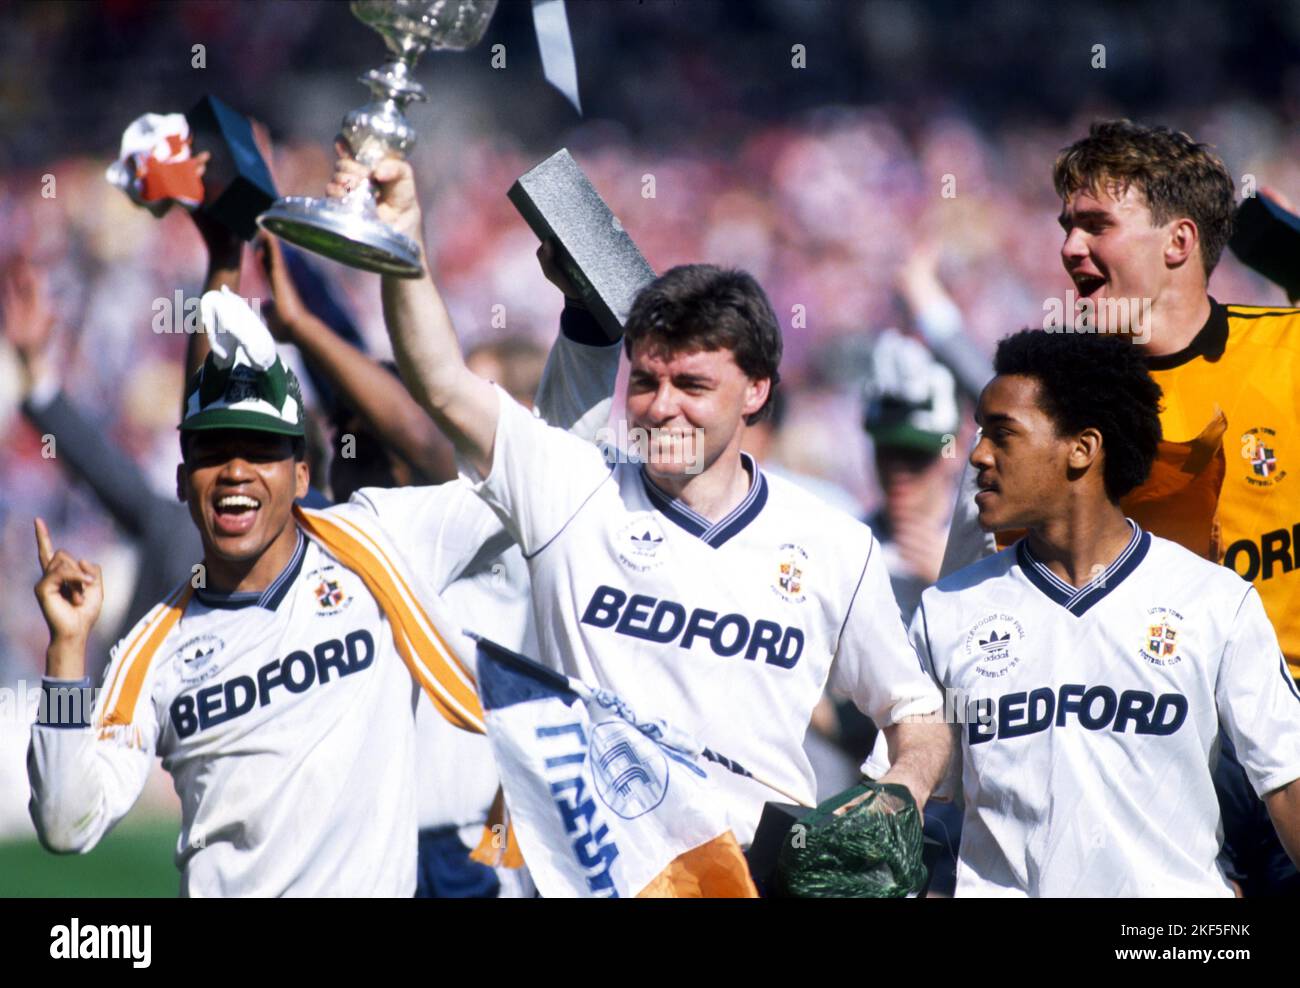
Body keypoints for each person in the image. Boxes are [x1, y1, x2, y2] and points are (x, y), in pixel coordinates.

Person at [328, 151, 953, 846]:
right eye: (646, 382)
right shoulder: (573, 488)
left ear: (757, 391)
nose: (661, 409)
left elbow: (917, 713)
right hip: (594, 874)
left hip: (748, 877)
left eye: (692, 386)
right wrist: (404, 238)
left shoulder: (833, 543)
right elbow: (441, 382)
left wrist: (901, 791)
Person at [25, 271, 612, 896]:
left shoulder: (375, 544)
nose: (236, 472)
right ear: (182, 480)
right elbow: (67, 824)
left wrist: (585, 313)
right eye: (213, 452)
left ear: (302, 473)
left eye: (261, 450)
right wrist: (65, 656)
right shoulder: (151, 650)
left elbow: (540, 465)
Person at [941, 119, 1300, 894]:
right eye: (1066, 227)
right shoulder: (1051, 412)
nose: (1070, 250)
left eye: (1096, 225)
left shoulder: (1290, 358)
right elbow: (958, 611)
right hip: (1132, 737)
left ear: (1178, 242)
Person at [919, 329, 1300, 896]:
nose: (976, 454)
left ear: (1082, 448)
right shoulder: (946, 610)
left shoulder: (1215, 602)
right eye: (978, 433)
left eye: (1002, 434)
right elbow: (910, 784)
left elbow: (1288, 782)